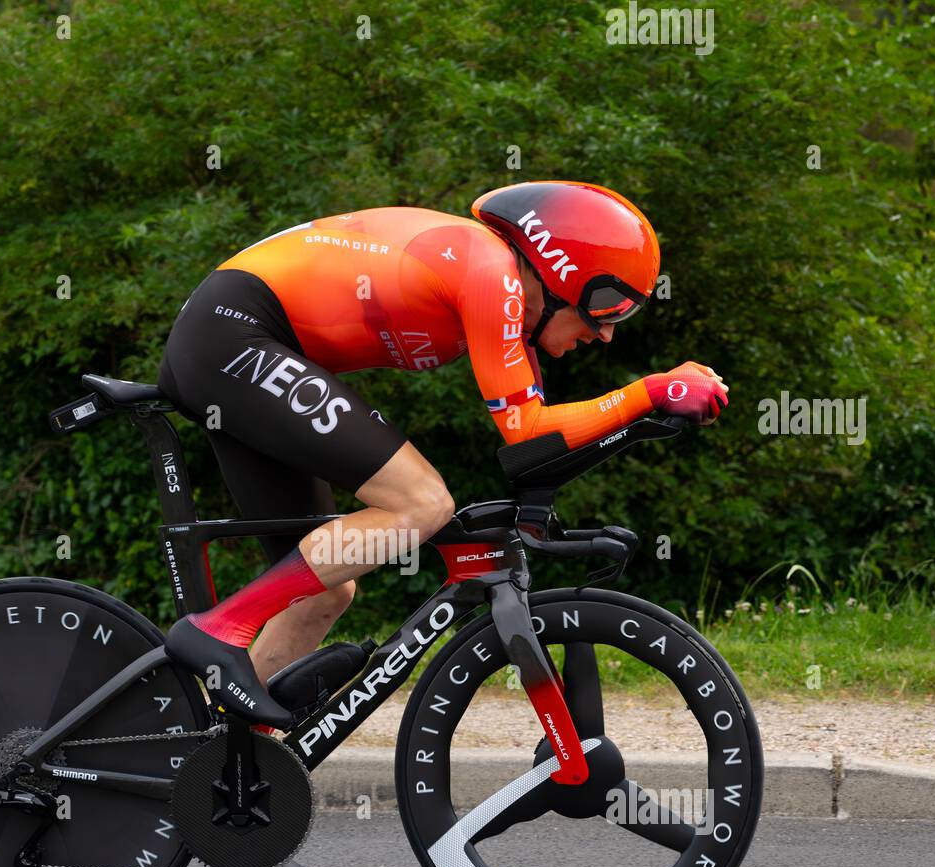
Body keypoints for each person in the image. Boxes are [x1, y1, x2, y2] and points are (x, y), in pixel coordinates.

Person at [159, 180, 729, 728]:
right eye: (609, 306)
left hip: (234, 341)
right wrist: (651, 391)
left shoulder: (497, 283)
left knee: (325, 589)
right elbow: (528, 434)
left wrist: (645, 413)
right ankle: (219, 630)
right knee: (421, 501)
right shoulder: (491, 273)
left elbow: (534, 451)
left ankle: (224, 757)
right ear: (561, 273)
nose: (606, 334)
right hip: (233, 333)